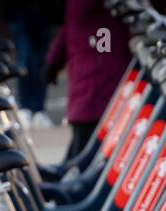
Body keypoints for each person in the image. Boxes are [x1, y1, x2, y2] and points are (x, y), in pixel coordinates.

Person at [45, 0, 132, 159]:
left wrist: (54, 59)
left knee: (85, 150)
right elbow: (73, 25)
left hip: (96, 76)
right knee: (86, 150)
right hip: (93, 79)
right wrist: (55, 59)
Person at [0, 2, 60, 127]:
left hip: (44, 11)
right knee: (26, 59)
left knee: (40, 62)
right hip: (19, 11)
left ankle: (39, 109)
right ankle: (25, 106)